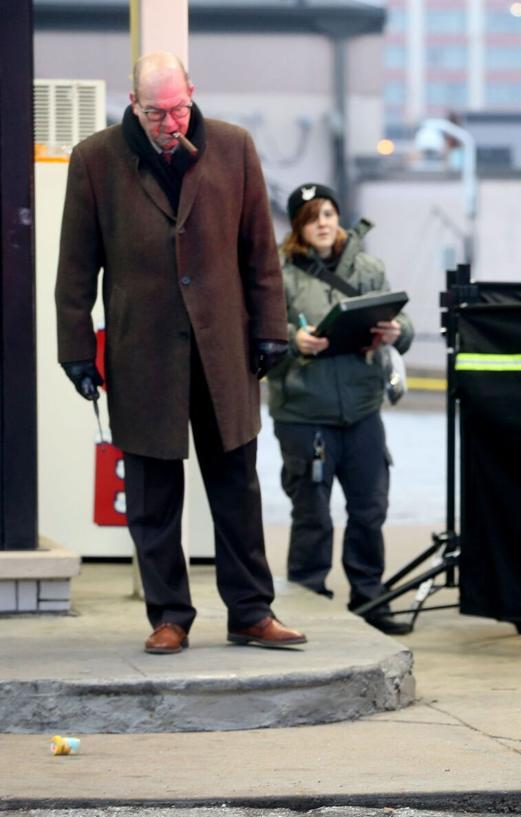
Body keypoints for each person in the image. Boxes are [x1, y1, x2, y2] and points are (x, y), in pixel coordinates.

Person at [55, 52, 305, 654]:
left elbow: (260, 253)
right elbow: (75, 265)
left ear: (192, 92)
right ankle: (169, 615)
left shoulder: (233, 147)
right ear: (134, 104)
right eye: (156, 112)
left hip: (224, 351)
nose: (171, 122)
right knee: (152, 498)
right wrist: (75, 350)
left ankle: (250, 611)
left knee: (237, 491)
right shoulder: (96, 159)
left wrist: (270, 329)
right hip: (142, 353)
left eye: (178, 107)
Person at [267, 183, 415, 636]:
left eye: (329, 213)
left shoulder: (368, 268)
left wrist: (396, 331)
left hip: (362, 407)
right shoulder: (277, 272)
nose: (324, 223)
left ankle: (370, 599)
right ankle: (309, 599)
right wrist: (294, 341)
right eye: (312, 217)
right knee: (311, 513)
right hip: (303, 411)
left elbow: (402, 324)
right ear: (298, 227)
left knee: (370, 509)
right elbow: (258, 333)